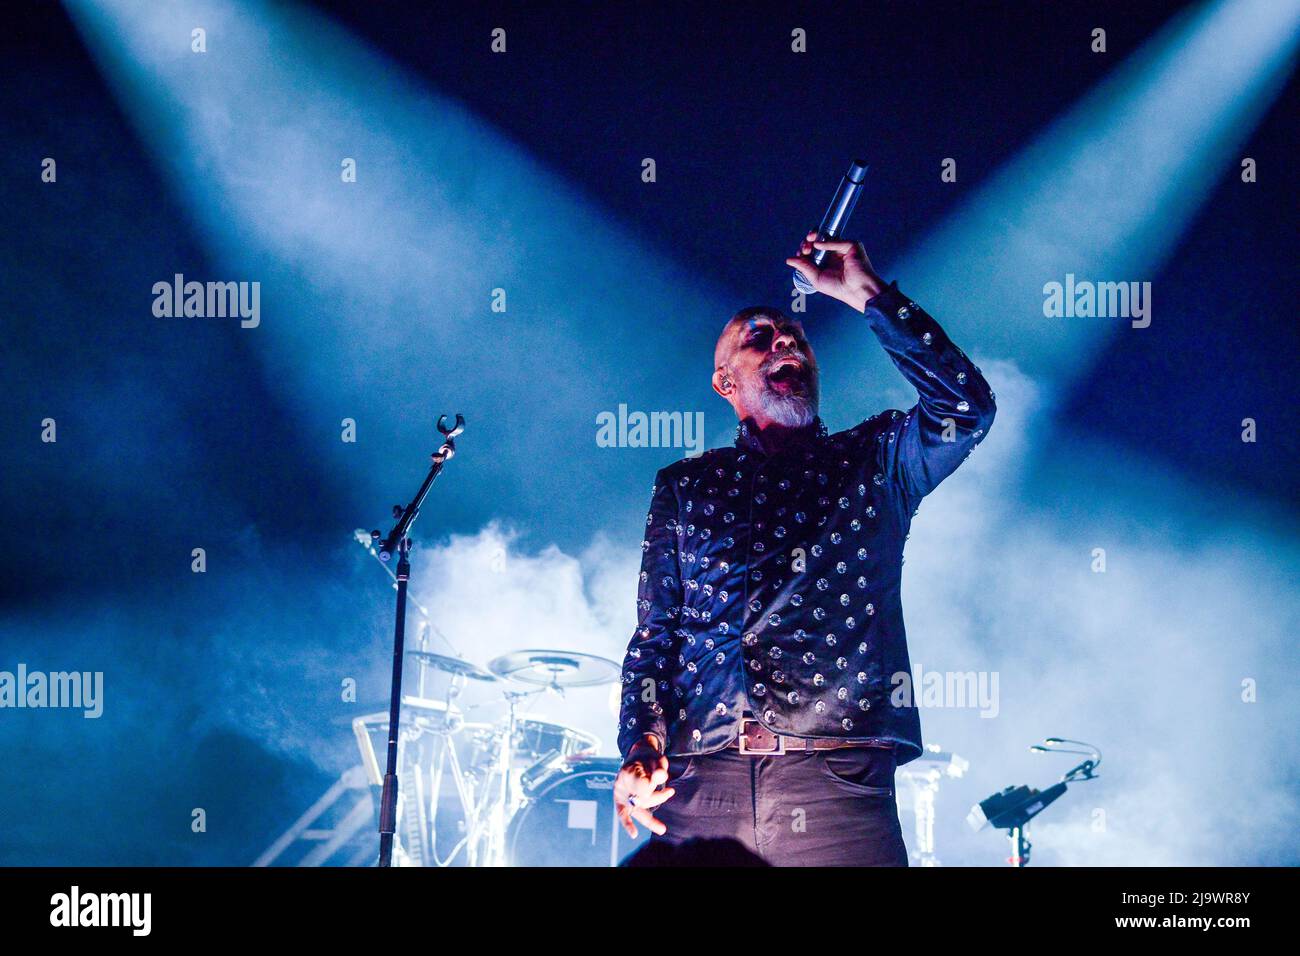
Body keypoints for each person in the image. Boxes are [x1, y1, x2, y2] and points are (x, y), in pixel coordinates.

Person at [612, 231, 996, 865]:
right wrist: (640, 742)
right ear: (724, 381)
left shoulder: (876, 462)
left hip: (837, 784)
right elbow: (656, 637)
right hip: (698, 781)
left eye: (793, 336)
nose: (783, 339)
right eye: (758, 337)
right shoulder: (686, 487)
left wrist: (868, 294)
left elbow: (966, 408)